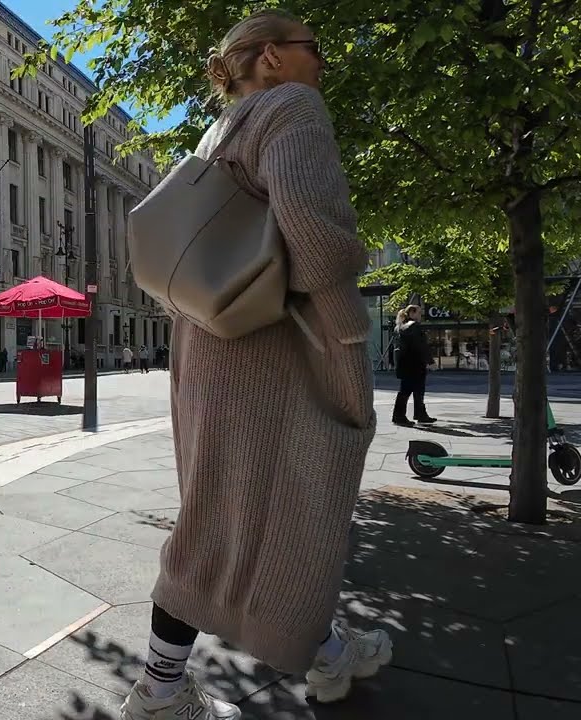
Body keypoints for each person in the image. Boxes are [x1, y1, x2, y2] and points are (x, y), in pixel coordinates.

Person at [119, 11, 390, 720]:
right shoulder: (293, 105)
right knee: (287, 504)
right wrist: (351, 338)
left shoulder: (219, 131)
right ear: (271, 56)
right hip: (276, 347)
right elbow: (318, 239)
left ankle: (324, 652)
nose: (322, 63)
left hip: (210, 343)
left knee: (254, 509)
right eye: (314, 47)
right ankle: (161, 690)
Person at [392, 304, 435, 426]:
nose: (420, 315)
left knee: (405, 390)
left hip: (404, 364)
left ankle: (402, 415)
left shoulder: (399, 327)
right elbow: (421, 346)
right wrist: (430, 361)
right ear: (411, 313)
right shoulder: (414, 327)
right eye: (419, 313)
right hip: (415, 364)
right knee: (417, 390)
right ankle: (416, 415)